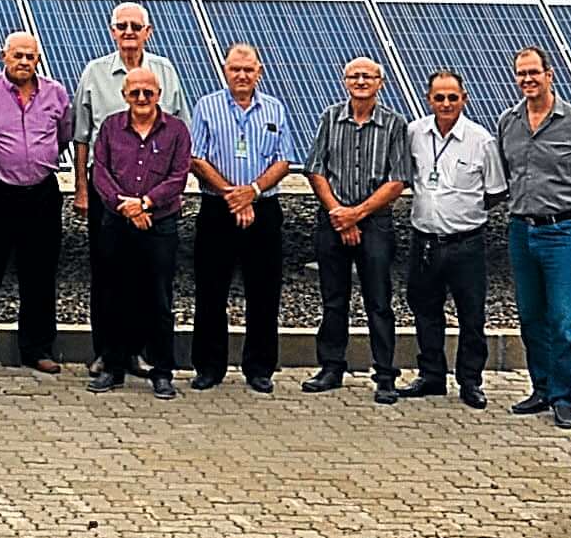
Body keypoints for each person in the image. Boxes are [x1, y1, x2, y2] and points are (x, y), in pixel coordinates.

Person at [497, 46, 571, 432]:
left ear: (550, 74)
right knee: (531, 318)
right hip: (522, 230)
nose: (527, 80)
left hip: (564, 232)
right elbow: (505, 172)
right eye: (520, 74)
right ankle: (541, 388)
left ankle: (564, 398)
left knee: (563, 319)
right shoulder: (508, 122)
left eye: (533, 72)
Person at [188, 42, 295, 394]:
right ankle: (208, 367)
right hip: (218, 208)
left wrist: (252, 190)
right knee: (210, 291)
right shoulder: (206, 106)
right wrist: (233, 194)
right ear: (225, 70)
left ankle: (260, 367)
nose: (242, 75)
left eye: (248, 70)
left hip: (263, 209)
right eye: (235, 69)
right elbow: (197, 158)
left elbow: (284, 160)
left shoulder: (275, 109)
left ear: (259, 72)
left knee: (264, 291)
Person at [0, 31, 69, 375]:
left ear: (38, 59)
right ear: (3, 55)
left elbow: (63, 135)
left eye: (30, 57)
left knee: (40, 271)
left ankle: (37, 348)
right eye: (18, 55)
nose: (24, 62)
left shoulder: (56, 94)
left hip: (41, 192)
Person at [303, 55, 412, 401]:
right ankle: (331, 368)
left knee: (378, 301)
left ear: (381, 82)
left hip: (375, 224)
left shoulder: (395, 124)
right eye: (354, 76)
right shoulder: (329, 118)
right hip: (332, 220)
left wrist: (357, 215)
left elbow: (398, 180)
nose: (361, 82)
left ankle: (384, 375)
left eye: (368, 76)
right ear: (344, 81)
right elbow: (316, 169)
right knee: (333, 300)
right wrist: (338, 212)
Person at [85, 65, 193, 394]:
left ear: (159, 95)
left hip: (160, 224)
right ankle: (114, 367)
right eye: (135, 92)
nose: (142, 98)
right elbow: (100, 171)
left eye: (148, 92)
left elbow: (179, 176)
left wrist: (145, 204)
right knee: (115, 295)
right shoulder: (110, 128)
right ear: (124, 95)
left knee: (158, 299)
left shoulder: (176, 130)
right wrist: (125, 206)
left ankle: (162, 370)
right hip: (117, 223)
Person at [402, 68, 505, 409]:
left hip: (466, 243)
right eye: (439, 97)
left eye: (452, 97)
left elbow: (495, 192)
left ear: (464, 99)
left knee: (471, 316)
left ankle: (470, 381)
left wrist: (462, 212)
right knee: (425, 310)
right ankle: (431, 375)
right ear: (429, 99)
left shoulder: (482, 141)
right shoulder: (414, 133)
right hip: (425, 241)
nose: (445, 103)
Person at [73, 4, 189, 183]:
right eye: (121, 26)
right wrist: (81, 187)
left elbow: (182, 133)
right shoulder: (94, 72)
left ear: (148, 31)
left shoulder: (165, 71)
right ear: (112, 32)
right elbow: (81, 136)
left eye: (136, 26)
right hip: (106, 181)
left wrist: (175, 186)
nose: (129, 32)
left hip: (156, 182)